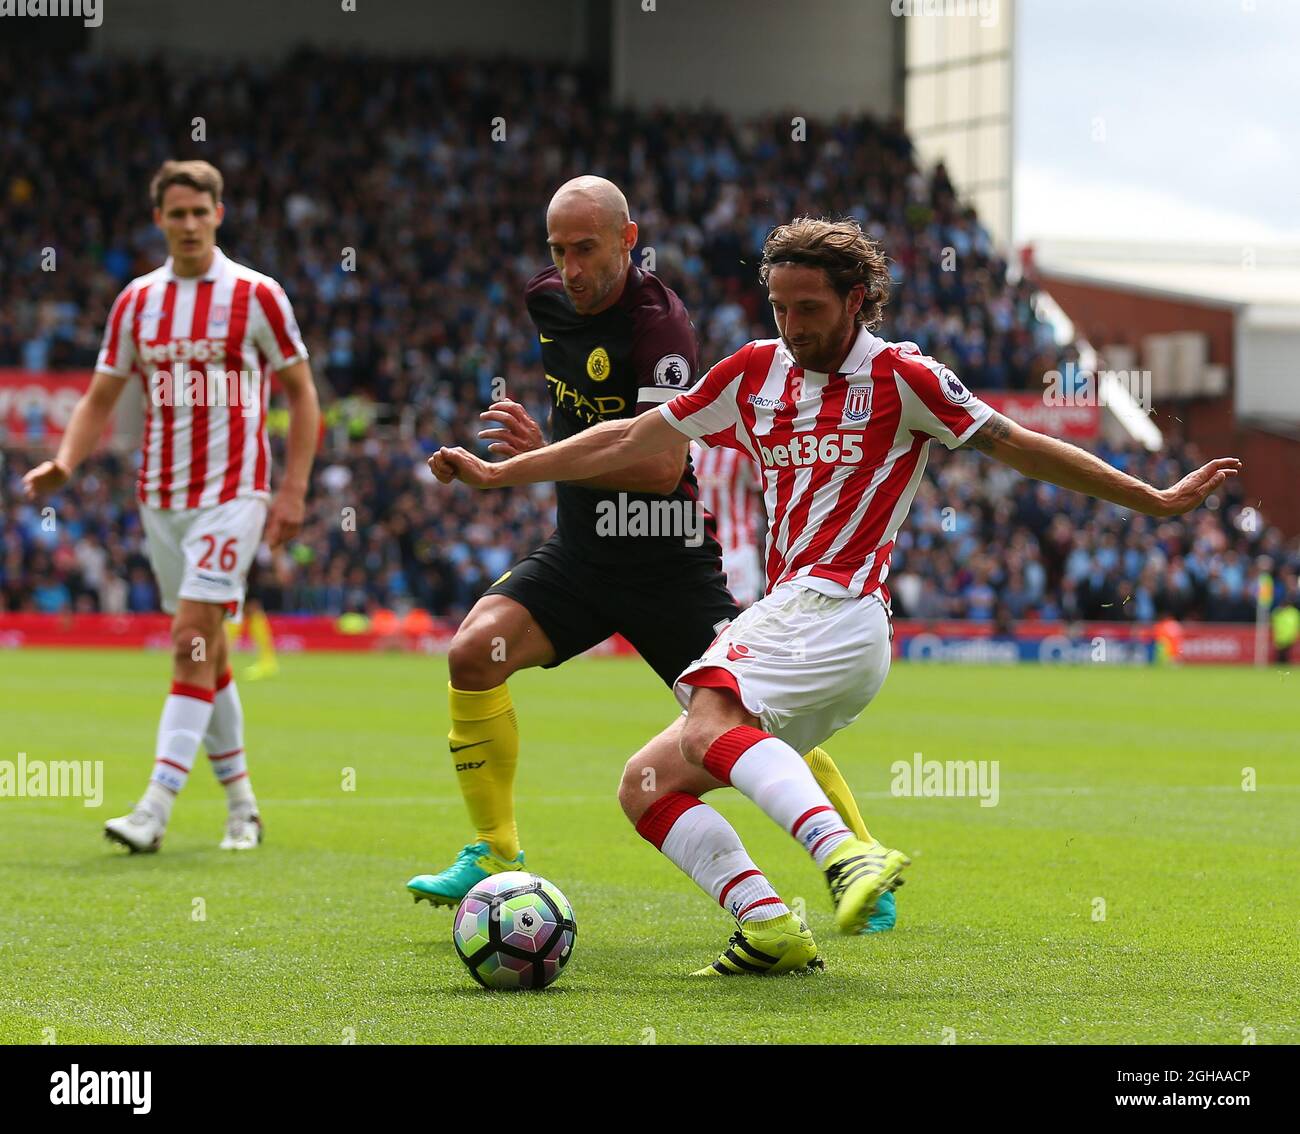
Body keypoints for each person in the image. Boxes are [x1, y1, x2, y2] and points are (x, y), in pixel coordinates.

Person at [430, 215, 1240, 975]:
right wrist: (505, 472)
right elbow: (631, 438)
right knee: (645, 787)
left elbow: (1023, 448)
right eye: (779, 305)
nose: (792, 324)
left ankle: (846, 855)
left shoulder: (904, 375)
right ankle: (768, 925)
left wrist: (1155, 498)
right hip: (800, 619)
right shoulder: (752, 372)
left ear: (857, 300)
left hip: (841, 607)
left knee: (709, 713)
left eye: (809, 307)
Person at [406, 179, 895, 933]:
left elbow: (660, 467)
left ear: (628, 239)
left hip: (665, 561)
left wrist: (545, 455)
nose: (569, 268)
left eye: (586, 250)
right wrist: (545, 452)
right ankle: (495, 852)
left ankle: (862, 856)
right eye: (558, 251)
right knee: (472, 651)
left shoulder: (660, 324)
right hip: (579, 554)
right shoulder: (546, 302)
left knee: (746, 719)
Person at [22, 159, 320, 853]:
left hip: (233, 494)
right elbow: (99, 397)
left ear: (219, 214)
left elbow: (303, 394)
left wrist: (295, 490)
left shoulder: (258, 294)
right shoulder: (136, 303)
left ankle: (153, 810)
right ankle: (243, 805)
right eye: (175, 213)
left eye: (199, 211)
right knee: (206, 650)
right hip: (160, 499)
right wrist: (67, 462)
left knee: (188, 640)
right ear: (158, 219)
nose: (188, 224)